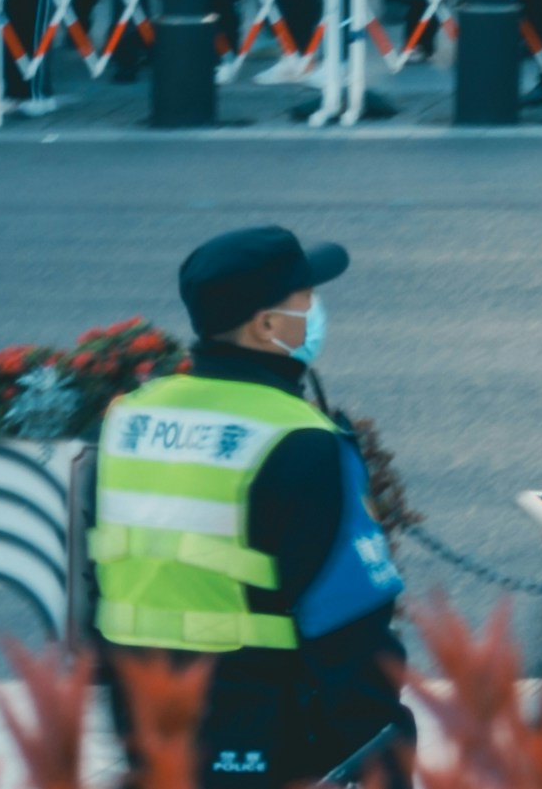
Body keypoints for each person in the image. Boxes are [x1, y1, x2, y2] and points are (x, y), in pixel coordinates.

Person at [92, 223, 405, 789]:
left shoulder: (129, 419)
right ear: (266, 327)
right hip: (262, 734)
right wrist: (378, 757)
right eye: (305, 298)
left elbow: (104, 579)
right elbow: (349, 630)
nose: (316, 308)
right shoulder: (298, 441)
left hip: (145, 725)